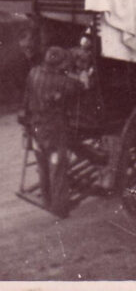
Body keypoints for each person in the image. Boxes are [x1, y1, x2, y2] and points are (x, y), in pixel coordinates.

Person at [19, 46, 82, 217]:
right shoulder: (63, 82)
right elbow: (79, 87)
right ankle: (60, 208)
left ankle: (47, 200)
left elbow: (26, 99)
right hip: (54, 131)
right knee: (58, 168)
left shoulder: (33, 73)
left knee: (43, 165)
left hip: (35, 128)